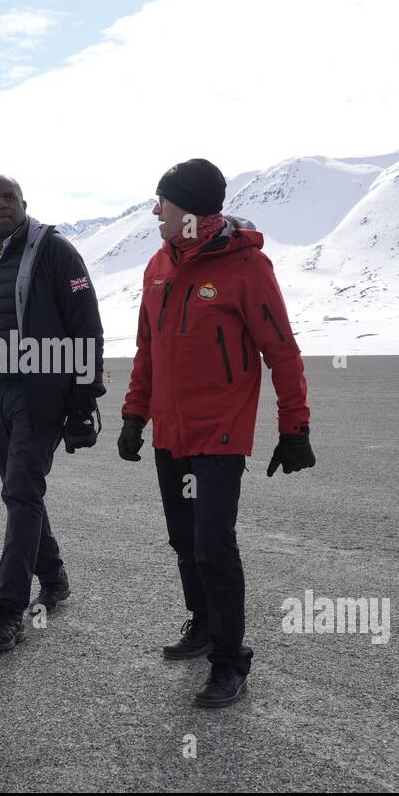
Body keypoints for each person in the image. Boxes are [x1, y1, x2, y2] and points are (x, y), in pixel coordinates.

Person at [117, 158, 315, 706]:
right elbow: (148, 350)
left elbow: (281, 350)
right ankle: (202, 625)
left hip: (220, 435)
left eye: (163, 200)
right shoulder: (158, 265)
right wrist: (136, 415)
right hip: (170, 434)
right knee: (184, 540)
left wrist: (294, 429)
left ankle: (230, 661)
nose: (155, 211)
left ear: (190, 207)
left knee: (212, 544)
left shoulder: (246, 266)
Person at [0, 175, 105, 651]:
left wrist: (83, 403)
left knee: (21, 490)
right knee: (18, 493)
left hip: (39, 391)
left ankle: (9, 612)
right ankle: (54, 575)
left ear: (24, 205)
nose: (1, 205)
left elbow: (86, 325)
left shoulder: (56, 252)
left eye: (9, 198)